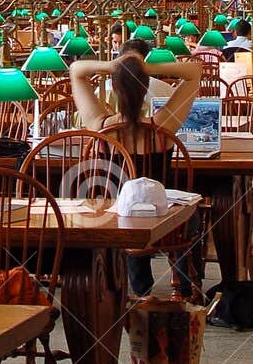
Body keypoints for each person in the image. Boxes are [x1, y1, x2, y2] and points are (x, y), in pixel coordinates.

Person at [69, 49, 202, 298]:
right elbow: (194, 72)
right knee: (189, 216)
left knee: (128, 210)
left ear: (114, 89)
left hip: (116, 218)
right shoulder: (162, 126)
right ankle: (186, 289)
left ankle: (141, 290)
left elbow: (76, 71)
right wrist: (142, 68)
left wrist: (118, 66)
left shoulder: (100, 125)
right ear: (145, 88)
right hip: (164, 218)